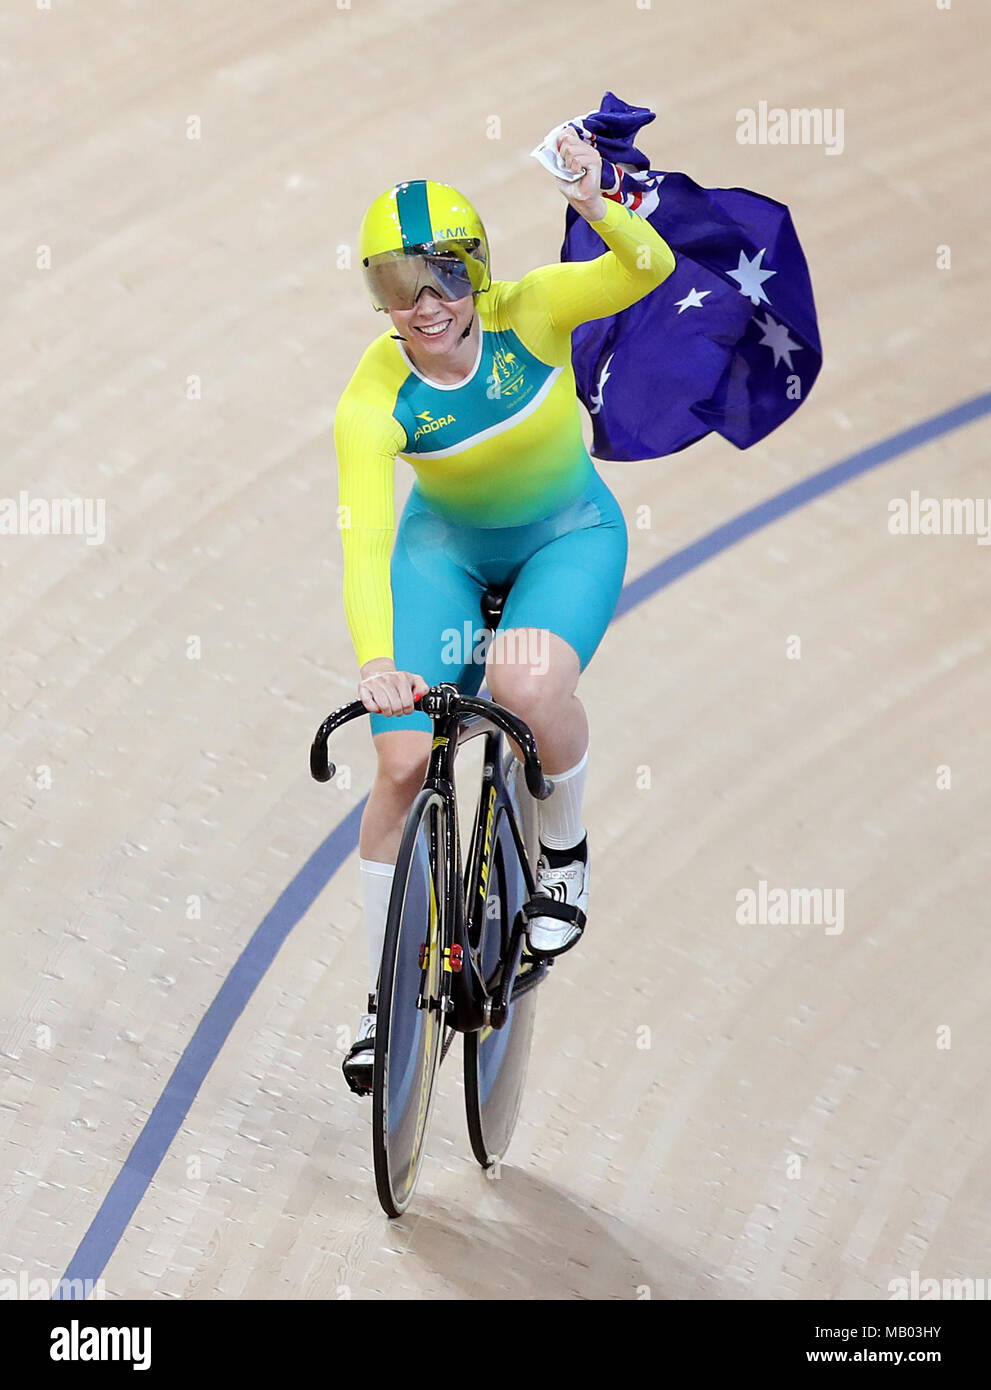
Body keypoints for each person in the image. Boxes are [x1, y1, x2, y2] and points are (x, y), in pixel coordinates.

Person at [334, 130, 676, 1092]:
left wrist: (593, 196)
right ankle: (380, 1008)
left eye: (441, 276)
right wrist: (374, 663)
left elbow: (648, 265)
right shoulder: (373, 396)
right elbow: (363, 541)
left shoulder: (531, 312)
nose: (423, 305)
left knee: (525, 681)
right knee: (402, 756)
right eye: (396, 284)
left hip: (566, 537)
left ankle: (561, 848)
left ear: (476, 273)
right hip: (443, 554)